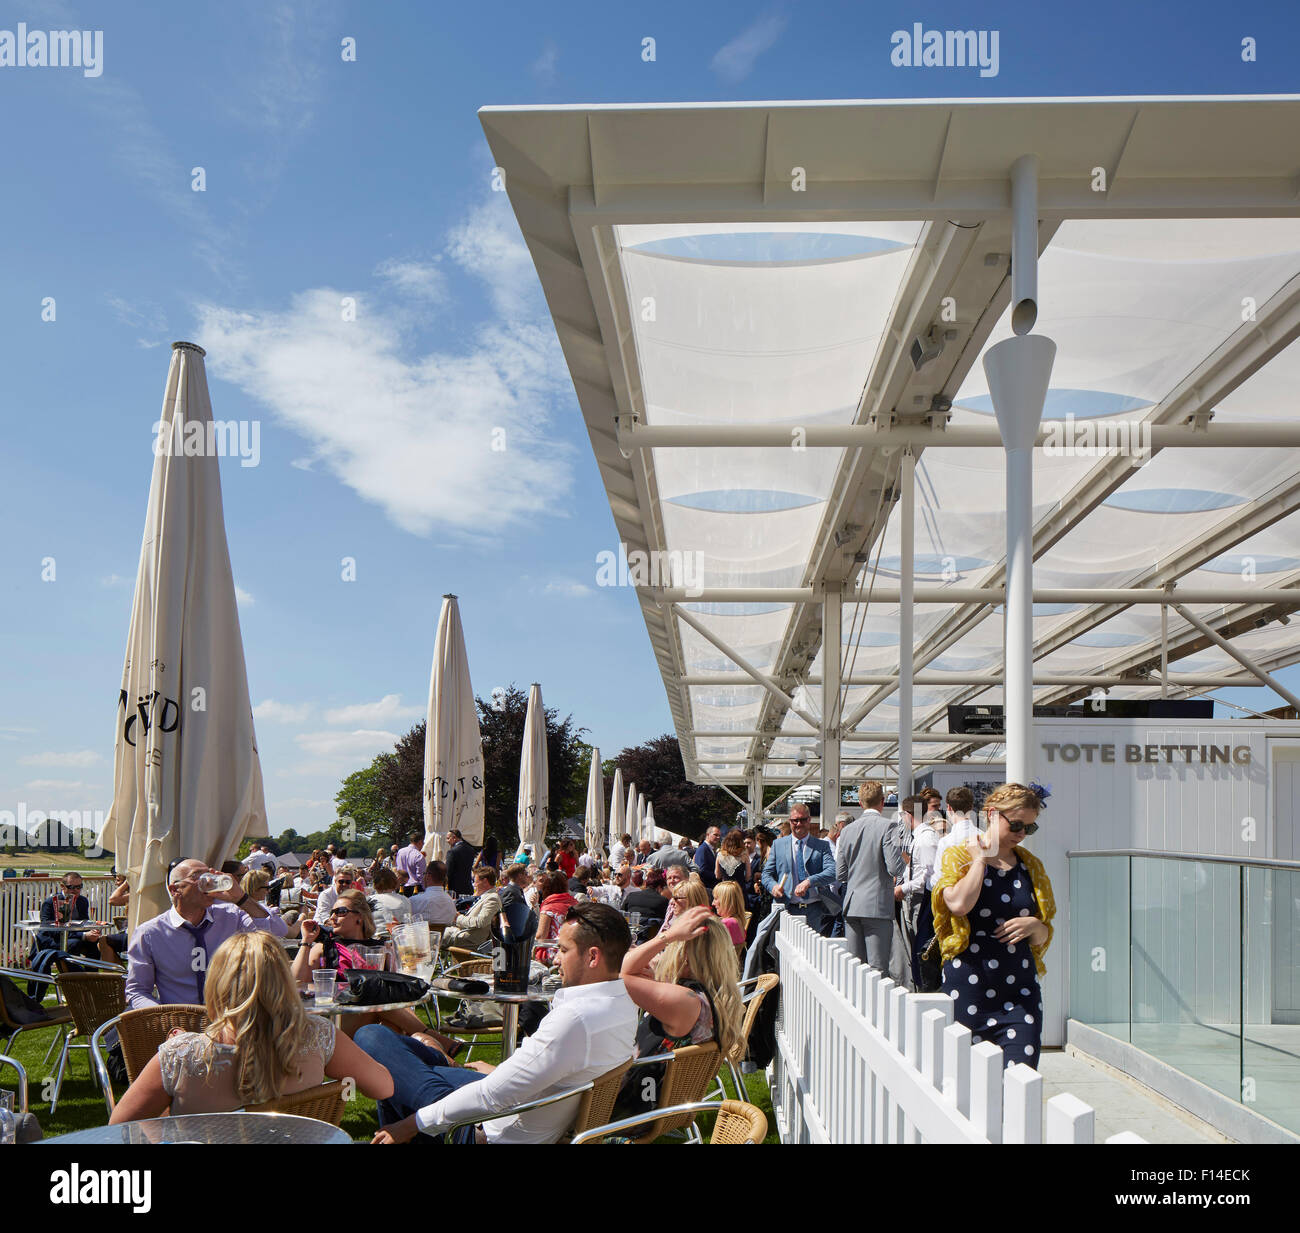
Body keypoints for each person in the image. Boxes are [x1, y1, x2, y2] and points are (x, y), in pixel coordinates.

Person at [357, 903, 638, 1143]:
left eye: (563, 950)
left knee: (372, 1037)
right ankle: (436, 1060)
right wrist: (499, 1073)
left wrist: (405, 1128)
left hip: (489, 1130)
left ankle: (436, 1060)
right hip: (522, 1108)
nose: (555, 958)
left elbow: (491, 1096)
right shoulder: (623, 1004)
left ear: (592, 957)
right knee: (397, 1067)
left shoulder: (576, 1019)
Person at [110, 931, 392, 1121]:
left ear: (217, 982)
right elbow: (384, 1087)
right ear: (284, 980)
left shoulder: (181, 1056)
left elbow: (120, 1131)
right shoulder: (319, 1036)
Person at [933, 783, 1055, 1070]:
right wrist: (980, 862)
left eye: (1029, 828)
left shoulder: (1030, 866)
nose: (1021, 834)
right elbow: (959, 904)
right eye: (1015, 825)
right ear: (991, 814)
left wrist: (1034, 925)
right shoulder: (959, 856)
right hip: (969, 988)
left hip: (1020, 992)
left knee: (1021, 1081)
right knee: (965, 1086)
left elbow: (1045, 933)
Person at [617, 904, 744, 1117]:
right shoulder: (706, 997)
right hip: (652, 1100)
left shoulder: (685, 1002)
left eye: (672, 947)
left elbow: (619, 975)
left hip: (629, 1108)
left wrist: (667, 936)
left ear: (684, 952)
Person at [125, 858, 288, 1009]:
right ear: (175, 889)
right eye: (198, 876)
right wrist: (165, 1018)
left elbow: (278, 932)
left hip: (230, 1021)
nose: (208, 881)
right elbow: (137, 991)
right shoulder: (150, 933)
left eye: (209, 875)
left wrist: (241, 898)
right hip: (180, 1025)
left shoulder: (232, 916)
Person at [834, 781, 907, 974]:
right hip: (877, 905)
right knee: (877, 969)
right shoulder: (889, 826)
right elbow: (894, 868)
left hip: (852, 904)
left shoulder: (847, 830)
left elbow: (840, 873)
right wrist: (904, 858)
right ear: (882, 801)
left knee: (855, 969)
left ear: (860, 803)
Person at [762, 805, 837, 933]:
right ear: (790, 821)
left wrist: (809, 881)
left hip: (815, 909)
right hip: (786, 908)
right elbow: (766, 874)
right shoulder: (778, 844)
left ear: (809, 820)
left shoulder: (821, 845)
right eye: (794, 821)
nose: (798, 824)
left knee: (812, 950)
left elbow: (832, 871)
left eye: (802, 820)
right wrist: (773, 887)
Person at [900, 795, 946, 991]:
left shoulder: (926, 839)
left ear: (909, 815)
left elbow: (927, 875)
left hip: (921, 899)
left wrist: (902, 888)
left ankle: (925, 988)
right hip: (915, 897)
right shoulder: (920, 837)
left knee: (921, 948)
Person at [35, 873, 101, 960]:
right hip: (53, 939)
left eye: (79, 887)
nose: (76, 890)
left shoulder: (82, 901)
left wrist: (93, 931)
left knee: (95, 943)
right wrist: (83, 935)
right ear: (62, 886)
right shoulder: (51, 902)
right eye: (71, 887)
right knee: (75, 943)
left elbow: (84, 923)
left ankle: (91, 972)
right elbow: (48, 929)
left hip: (74, 936)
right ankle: (71, 972)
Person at [442, 866, 502, 951]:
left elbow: (481, 922)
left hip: (469, 939)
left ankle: (426, 962)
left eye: (475, 881)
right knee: (431, 933)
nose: (474, 885)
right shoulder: (486, 896)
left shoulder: (492, 898)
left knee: (431, 936)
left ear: (484, 881)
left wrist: (458, 918)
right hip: (464, 934)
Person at [532, 870, 578, 960]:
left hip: (555, 954)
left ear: (546, 888)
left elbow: (541, 936)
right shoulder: (576, 903)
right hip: (575, 951)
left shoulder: (549, 907)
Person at [620, 868, 670, 935]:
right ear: (659, 887)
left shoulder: (631, 895)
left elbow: (622, 913)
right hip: (651, 936)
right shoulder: (663, 901)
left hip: (630, 933)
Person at [409, 861, 458, 927]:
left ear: (428, 876)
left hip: (422, 936)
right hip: (444, 936)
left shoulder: (414, 900)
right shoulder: (450, 902)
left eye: (424, 874)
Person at [369, 865, 414, 934]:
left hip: (375, 939)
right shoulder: (405, 900)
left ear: (375, 883)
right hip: (399, 939)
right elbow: (408, 924)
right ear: (394, 882)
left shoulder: (370, 900)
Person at [711, 880, 748, 953]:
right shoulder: (737, 920)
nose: (713, 903)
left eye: (715, 899)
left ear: (726, 900)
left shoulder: (728, 923)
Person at [445, 829, 477, 898]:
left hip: (454, 890)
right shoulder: (471, 850)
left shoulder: (452, 852)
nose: (447, 841)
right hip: (468, 887)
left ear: (454, 838)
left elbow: (448, 872)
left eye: (448, 838)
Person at [395, 833, 427, 898]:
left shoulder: (400, 851)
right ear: (420, 842)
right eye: (423, 843)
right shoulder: (419, 855)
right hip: (414, 889)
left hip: (401, 886)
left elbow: (398, 868)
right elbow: (421, 876)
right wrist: (425, 889)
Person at [693, 825, 722, 890]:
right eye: (715, 835)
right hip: (707, 888)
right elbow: (701, 870)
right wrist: (717, 876)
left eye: (719, 835)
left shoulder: (709, 849)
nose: (718, 837)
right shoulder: (703, 849)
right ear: (708, 835)